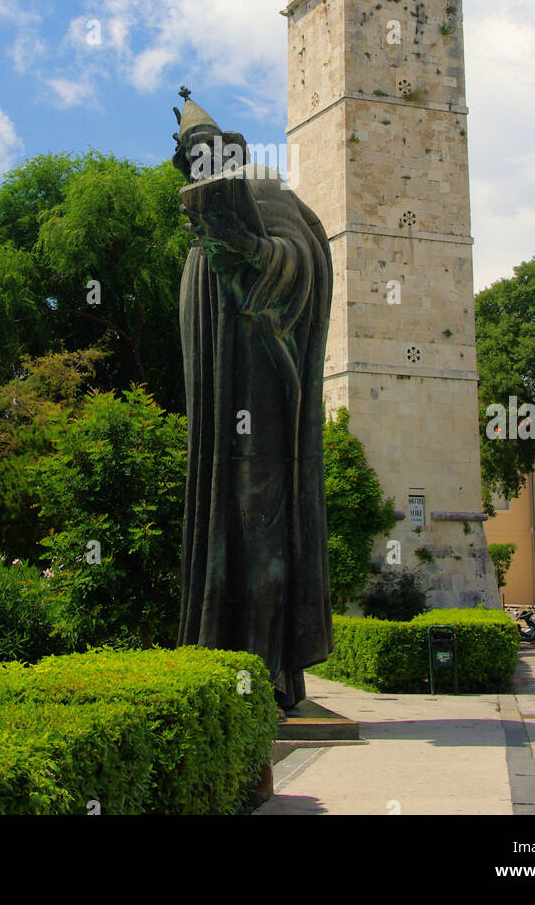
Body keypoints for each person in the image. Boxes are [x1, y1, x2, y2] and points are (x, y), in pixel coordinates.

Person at [173, 90, 333, 712]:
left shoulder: (262, 188)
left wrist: (248, 251)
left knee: (259, 516)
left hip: (261, 383)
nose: (194, 164)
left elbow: (300, 263)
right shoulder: (201, 211)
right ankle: (219, 660)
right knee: (221, 523)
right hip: (217, 396)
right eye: (187, 156)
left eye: (199, 151)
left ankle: (267, 667)